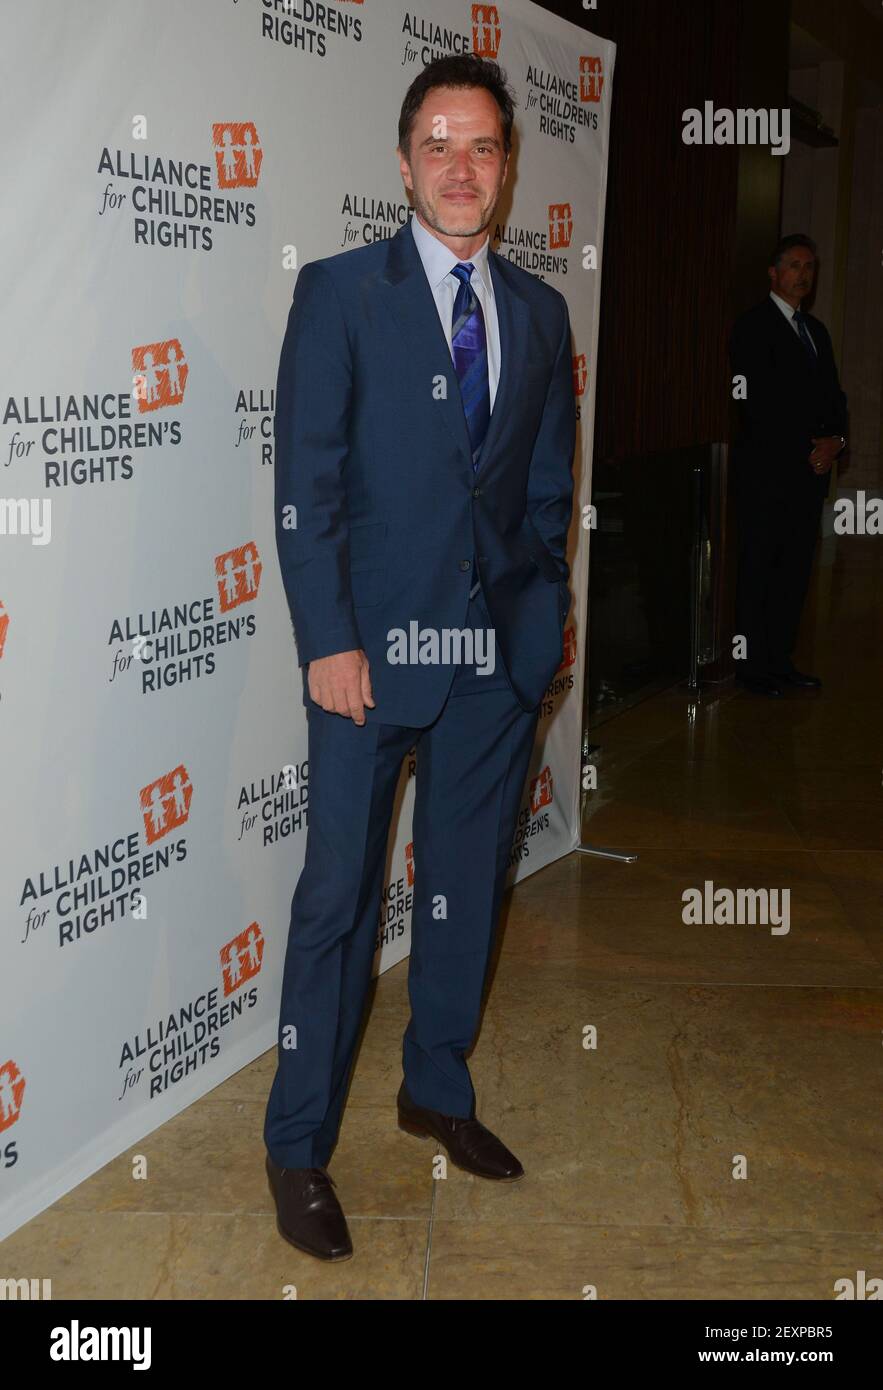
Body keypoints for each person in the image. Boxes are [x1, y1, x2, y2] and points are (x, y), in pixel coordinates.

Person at [263, 54, 576, 1261]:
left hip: (490, 669)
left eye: (483, 146)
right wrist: (328, 641)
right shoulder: (342, 294)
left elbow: (544, 493)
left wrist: (538, 630)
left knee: (458, 892)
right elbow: (308, 486)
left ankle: (435, 1088)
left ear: (506, 167)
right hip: (366, 662)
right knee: (336, 903)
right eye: (439, 144)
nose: (461, 166)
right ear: (403, 165)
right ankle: (299, 1145)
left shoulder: (540, 315)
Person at [730, 234, 847, 697]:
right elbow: (755, 404)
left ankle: (781, 661)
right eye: (796, 266)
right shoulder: (752, 327)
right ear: (774, 273)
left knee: (796, 573)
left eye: (811, 267)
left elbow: (834, 396)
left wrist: (837, 441)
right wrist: (807, 447)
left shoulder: (816, 331)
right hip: (768, 475)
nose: (805, 275)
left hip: (809, 479)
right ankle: (753, 668)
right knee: (760, 570)